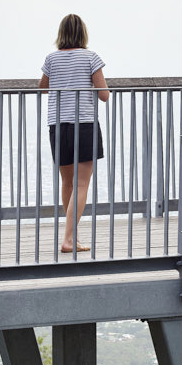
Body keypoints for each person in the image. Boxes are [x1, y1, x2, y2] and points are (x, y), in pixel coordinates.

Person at [39, 13, 109, 253]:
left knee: (67, 183)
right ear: (83, 33)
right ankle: (69, 239)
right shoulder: (91, 57)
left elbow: (42, 87)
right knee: (81, 184)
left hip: (58, 124)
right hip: (84, 124)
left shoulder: (52, 58)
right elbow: (104, 95)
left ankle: (71, 237)